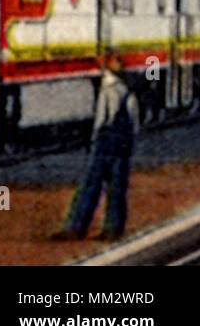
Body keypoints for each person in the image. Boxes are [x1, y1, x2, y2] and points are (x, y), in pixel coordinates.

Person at [52, 50, 138, 242]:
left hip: (105, 141)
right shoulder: (128, 90)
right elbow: (133, 122)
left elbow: (102, 119)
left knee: (92, 183)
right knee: (116, 186)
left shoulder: (107, 87)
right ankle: (112, 228)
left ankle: (77, 226)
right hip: (121, 143)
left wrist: (95, 139)